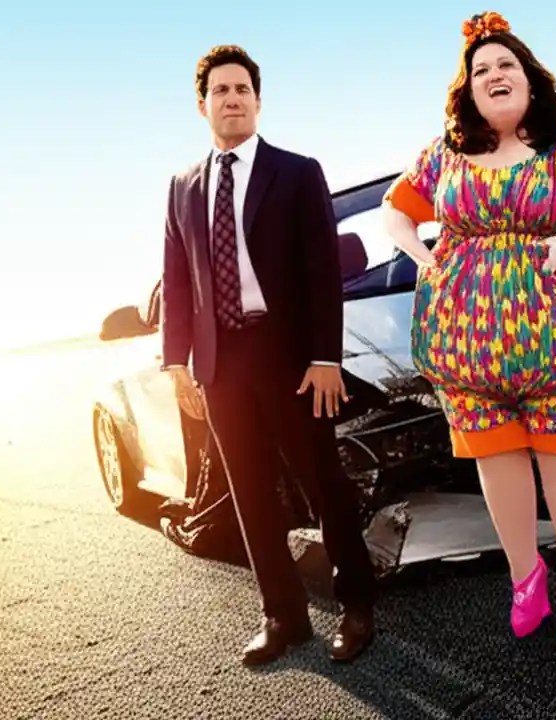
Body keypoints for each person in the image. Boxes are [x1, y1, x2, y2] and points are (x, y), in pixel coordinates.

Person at [380, 11, 556, 642]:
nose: (494, 75)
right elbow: (395, 211)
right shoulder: (446, 154)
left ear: (529, 78)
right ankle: (525, 579)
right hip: (466, 344)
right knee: (496, 464)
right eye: (481, 70)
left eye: (506, 65)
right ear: (467, 90)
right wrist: (423, 255)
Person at [160, 44, 377, 666]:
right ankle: (283, 616)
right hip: (222, 366)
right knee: (252, 494)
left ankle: (357, 605)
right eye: (220, 90)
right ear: (202, 104)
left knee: (323, 484)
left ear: (258, 101)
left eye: (242, 90)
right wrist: (177, 361)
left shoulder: (297, 171)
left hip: (292, 360)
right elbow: (176, 280)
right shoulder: (182, 188)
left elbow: (319, 272)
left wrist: (325, 359)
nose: (232, 99)